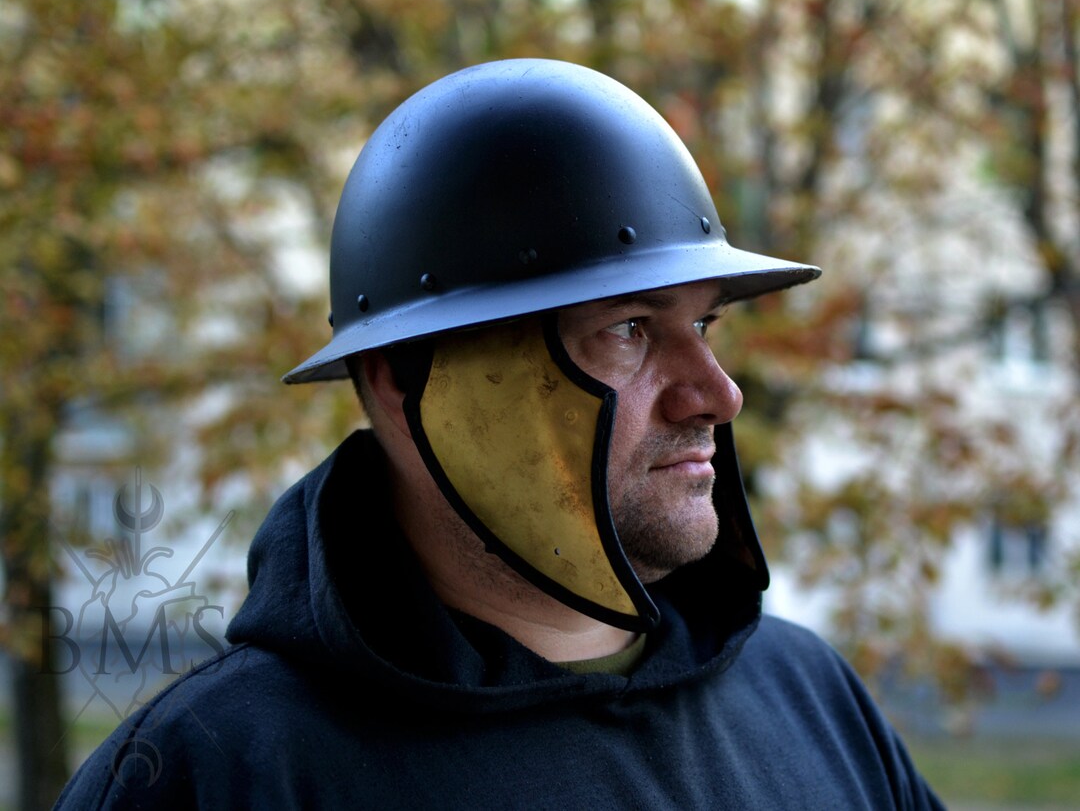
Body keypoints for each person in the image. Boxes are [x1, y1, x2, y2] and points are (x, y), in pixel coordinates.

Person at [56, 59, 943, 809]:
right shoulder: (221, 774)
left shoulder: (812, 702)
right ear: (402, 379)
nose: (718, 393)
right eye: (628, 329)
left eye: (703, 325)